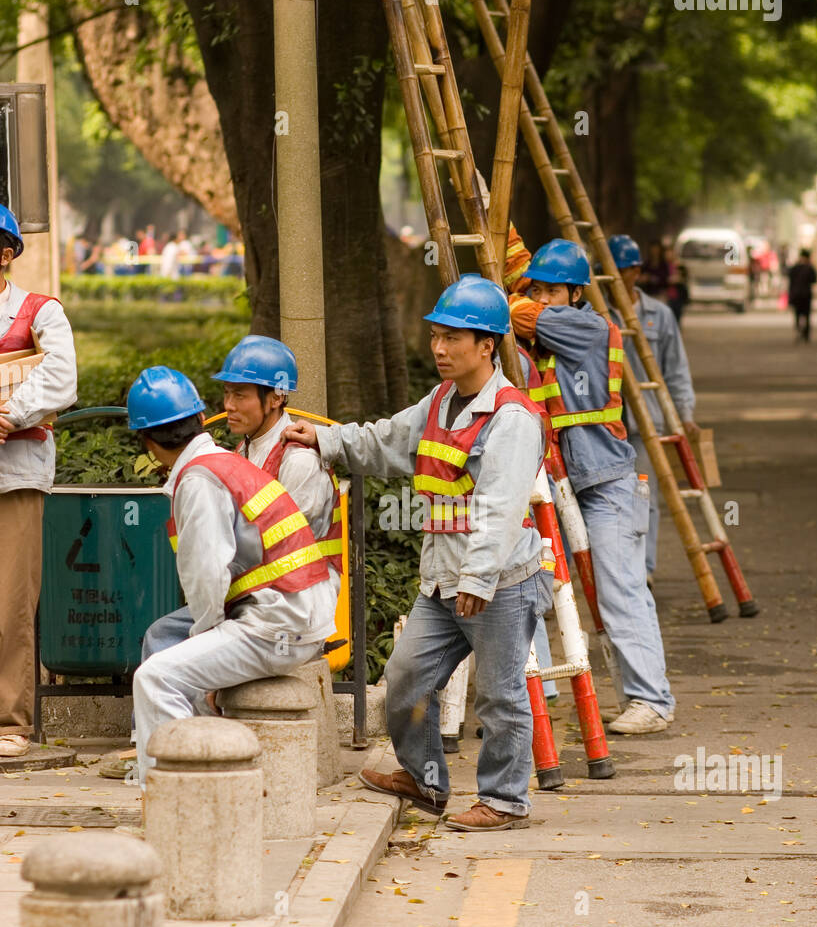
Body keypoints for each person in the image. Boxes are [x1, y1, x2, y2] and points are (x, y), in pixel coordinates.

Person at [282, 276, 552, 832]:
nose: (439, 348)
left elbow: (500, 509)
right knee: (404, 680)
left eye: (453, 338)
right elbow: (385, 440)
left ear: (487, 346)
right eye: (435, 335)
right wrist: (325, 441)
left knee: (500, 697)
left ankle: (504, 801)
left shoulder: (512, 418)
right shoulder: (438, 402)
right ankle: (424, 778)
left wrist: (477, 579)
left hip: (496, 584)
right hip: (442, 583)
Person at [127, 367, 340, 789]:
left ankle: (175, 799)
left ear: (148, 442)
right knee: (177, 669)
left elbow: (206, 576)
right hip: (292, 616)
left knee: (156, 676)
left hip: (278, 623)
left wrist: (208, 657)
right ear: (198, 419)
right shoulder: (222, 461)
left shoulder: (200, 477)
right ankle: (216, 787)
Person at [508, 236, 675, 735]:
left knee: (621, 590)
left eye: (552, 291)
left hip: (606, 484)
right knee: (529, 584)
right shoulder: (547, 334)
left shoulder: (586, 327)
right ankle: (541, 690)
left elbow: (520, 314)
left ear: (575, 294)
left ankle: (652, 701)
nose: (541, 299)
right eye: (536, 289)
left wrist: (509, 294)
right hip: (558, 484)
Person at [0, 205, 77, 758]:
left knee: (10, 599)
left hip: (15, 473)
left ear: (5, 254)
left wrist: (8, 412)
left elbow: (61, 378)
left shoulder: (39, 311)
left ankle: (10, 719)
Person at [607, 234, 700, 582]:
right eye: (611, 270)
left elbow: (676, 369)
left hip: (648, 426)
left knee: (644, 497)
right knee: (607, 501)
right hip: (604, 426)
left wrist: (684, 414)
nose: (618, 276)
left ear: (636, 271)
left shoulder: (659, 316)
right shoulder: (591, 316)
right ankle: (613, 570)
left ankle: (643, 569)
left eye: (624, 269)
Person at [787, 248, 817, 341]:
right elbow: (814, 280)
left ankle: (799, 331)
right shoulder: (810, 268)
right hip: (806, 295)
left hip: (796, 294)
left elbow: (790, 281)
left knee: (797, 314)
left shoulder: (795, 267)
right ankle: (806, 334)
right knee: (807, 315)